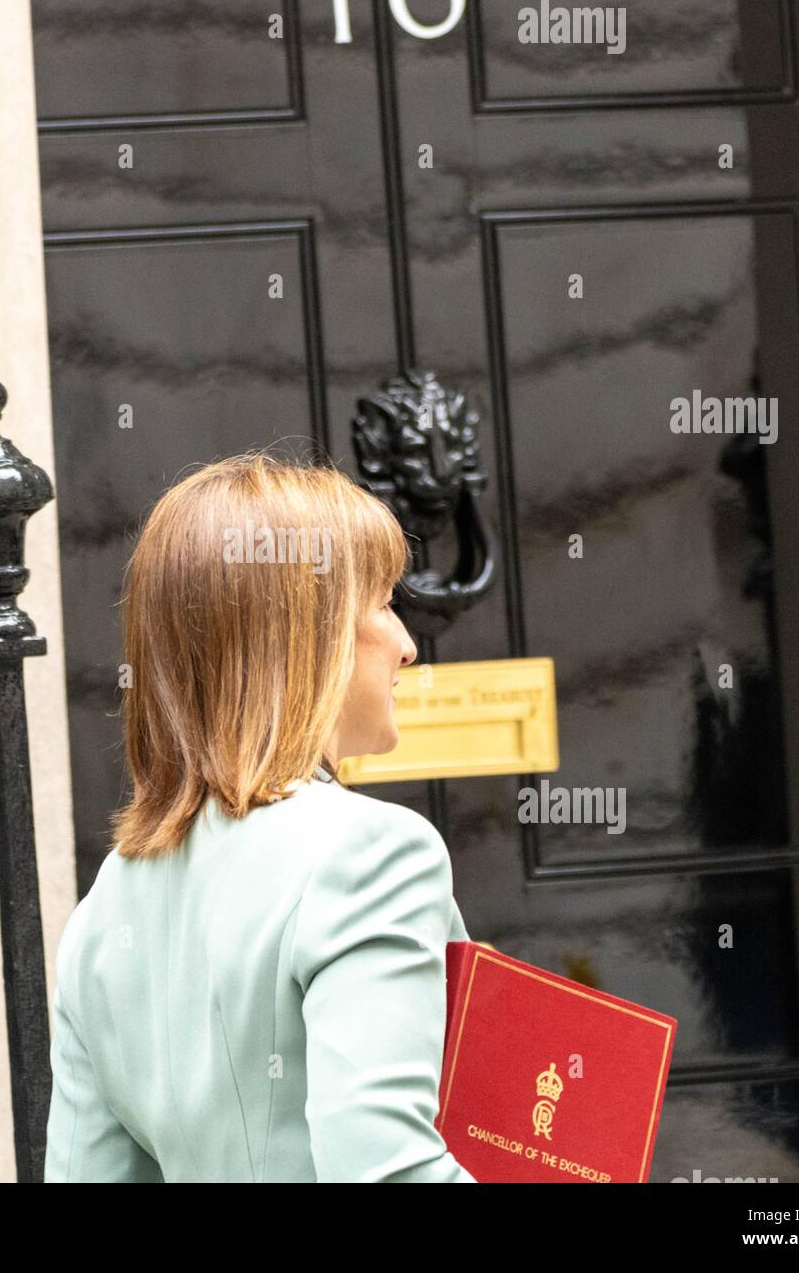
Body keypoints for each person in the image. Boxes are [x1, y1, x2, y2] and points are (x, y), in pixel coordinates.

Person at [44, 451, 476, 1182]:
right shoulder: (371, 853)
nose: (407, 644)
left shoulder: (107, 903)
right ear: (311, 633)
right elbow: (387, 1171)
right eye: (382, 603)